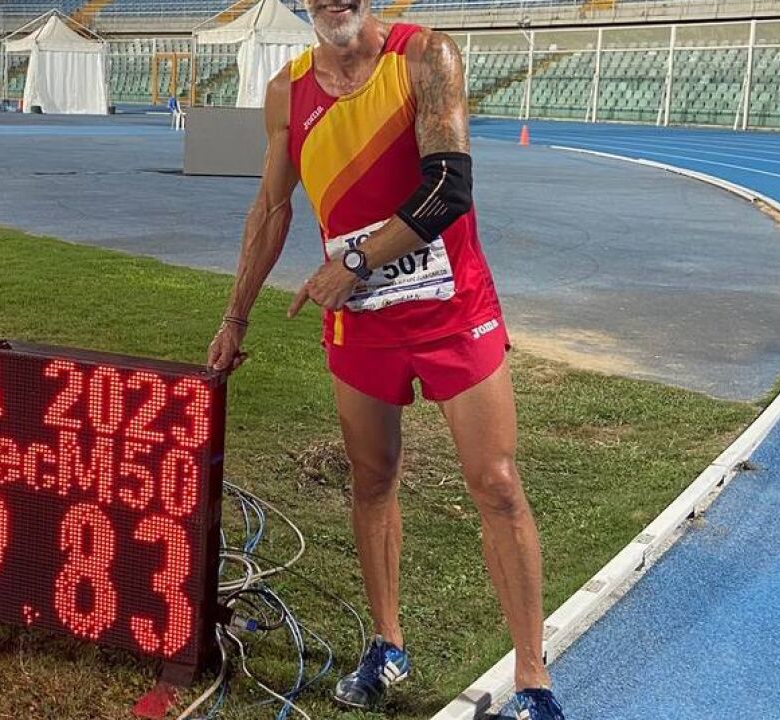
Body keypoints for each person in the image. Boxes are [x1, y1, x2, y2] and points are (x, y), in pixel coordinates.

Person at [206, 2, 565, 718]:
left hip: (451, 310)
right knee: (372, 479)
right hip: (363, 325)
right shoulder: (288, 91)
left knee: (495, 482)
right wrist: (234, 315)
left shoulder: (424, 57)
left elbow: (447, 188)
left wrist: (358, 261)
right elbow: (272, 210)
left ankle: (533, 680)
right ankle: (387, 645)